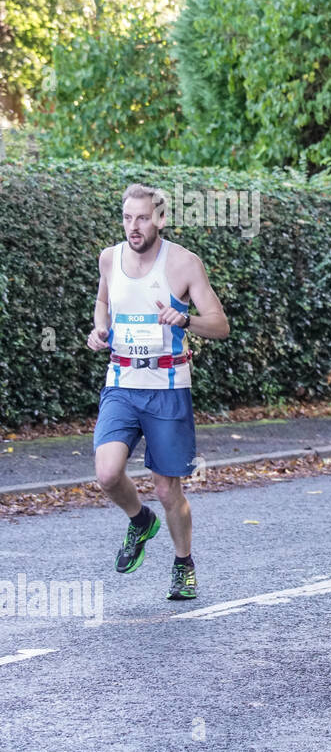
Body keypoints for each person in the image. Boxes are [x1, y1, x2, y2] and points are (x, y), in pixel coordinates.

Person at [88, 184, 230, 600]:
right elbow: (102, 302)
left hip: (167, 388)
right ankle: (139, 520)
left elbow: (220, 325)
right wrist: (100, 330)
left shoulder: (184, 264)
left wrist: (184, 319)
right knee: (107, 472)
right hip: (121, 383)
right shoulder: (109, 258)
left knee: (169, 489)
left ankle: (183, 564)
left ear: (161, 219)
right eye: (128, 218)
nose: (134, 227)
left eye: (143, 218)